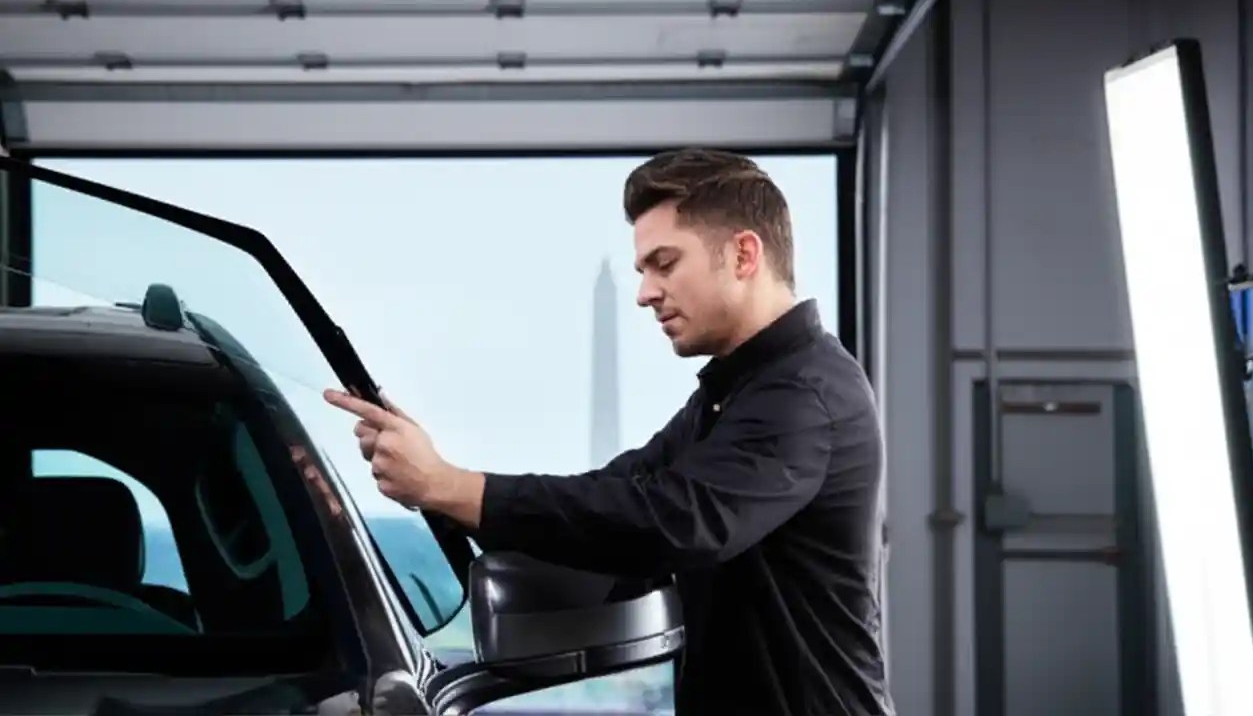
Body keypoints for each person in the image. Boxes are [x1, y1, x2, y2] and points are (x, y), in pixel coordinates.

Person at [323, 148, 894, 716]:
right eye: (643, 270)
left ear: (744, 254)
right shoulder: (733, 394)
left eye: (664, 264)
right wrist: (437, 486)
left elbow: (670, 523)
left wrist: (452, 486)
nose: (645, 292)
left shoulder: (803, 395)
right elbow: (614, 497)